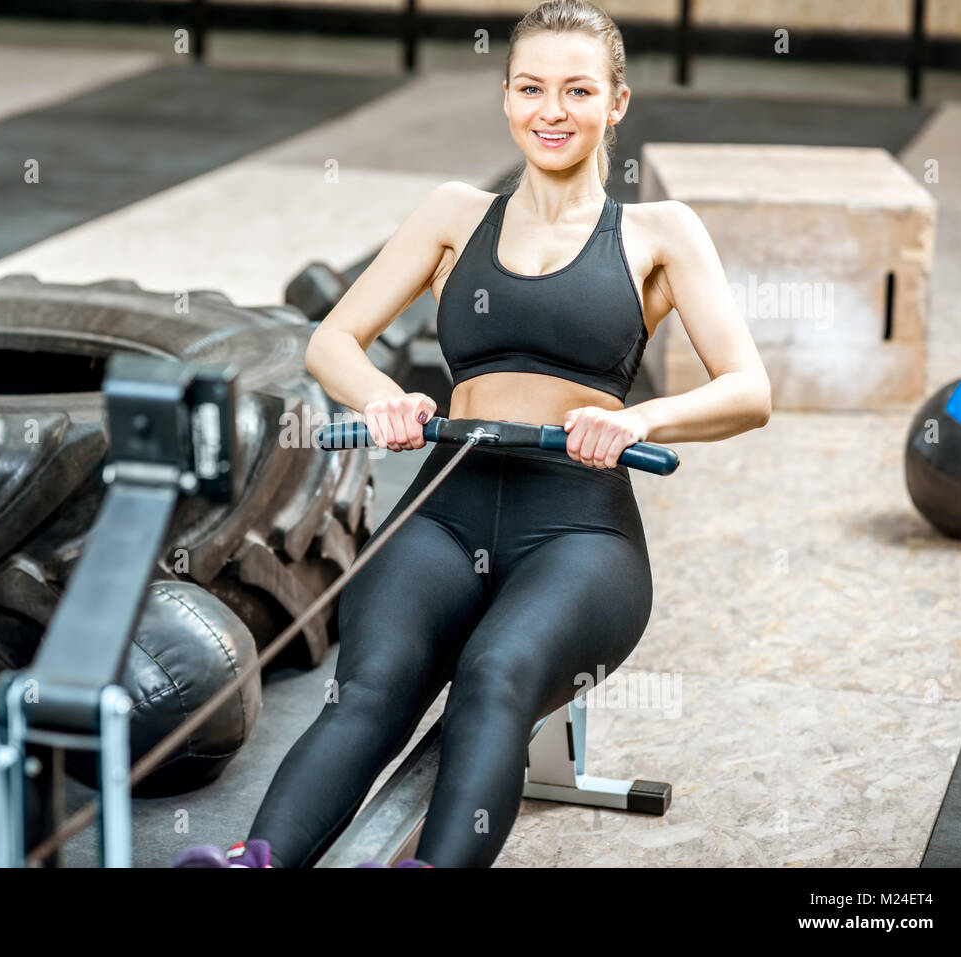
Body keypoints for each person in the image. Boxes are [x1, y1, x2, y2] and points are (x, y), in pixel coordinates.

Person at [174, 0, 771, 869]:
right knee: (367, 688)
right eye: (531, 88)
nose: (551, 110)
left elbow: (749, 390)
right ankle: (251, 862)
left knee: (493, 679)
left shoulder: (658, 233)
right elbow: (332, 340)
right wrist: (384, 396)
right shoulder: (454, 214)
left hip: (579, 531)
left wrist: (634, 417)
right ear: (506, 98)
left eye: (577, 90)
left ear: (618, 104)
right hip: (446, 506)